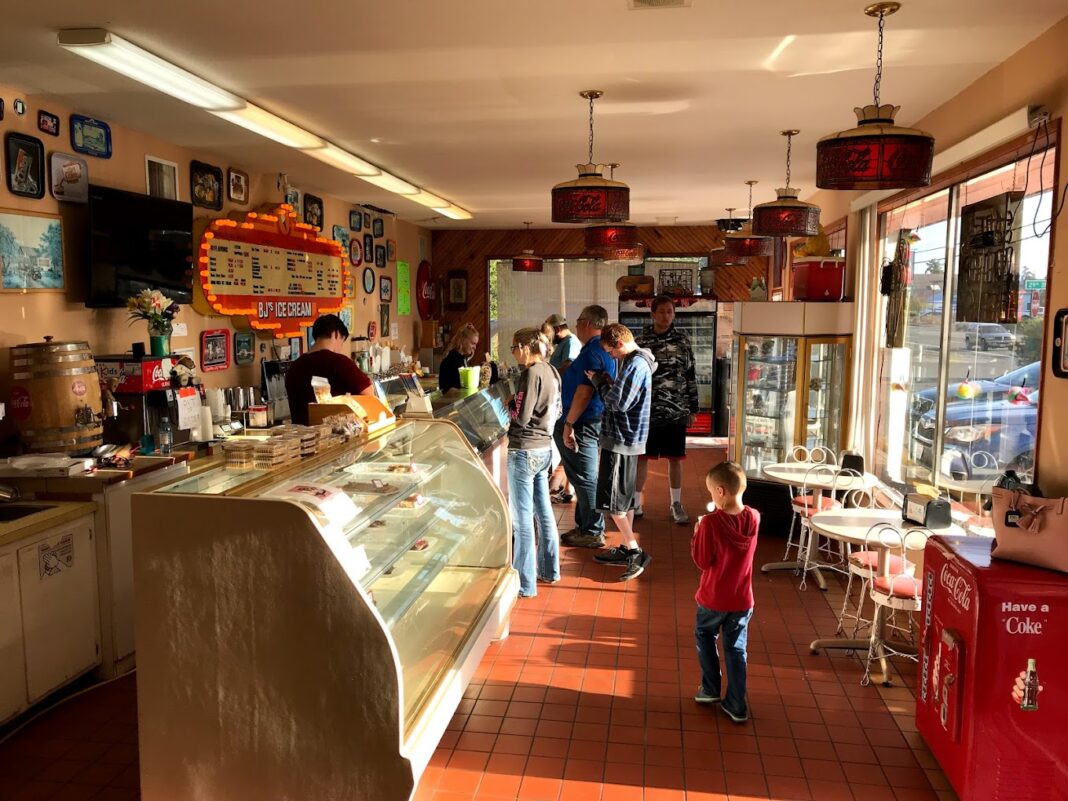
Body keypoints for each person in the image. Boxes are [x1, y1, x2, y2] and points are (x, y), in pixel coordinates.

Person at [585, 323, 656, 581]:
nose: (611, 357)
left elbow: (618, 403)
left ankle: (637, 553)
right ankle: (626, 547)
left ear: (619, 344)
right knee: (623, 502)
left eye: (610, 352)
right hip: (626, 438)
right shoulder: (634, 361)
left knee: (614, 505)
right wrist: (609, 382)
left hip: (621, 439)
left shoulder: (636, 364)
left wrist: (598, 383)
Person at [691, 461, 760, 724]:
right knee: (736, 648)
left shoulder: (710, 523)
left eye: (711, 492)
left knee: (705, 636)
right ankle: (736, 702)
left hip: (713, 598)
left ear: (720, 491)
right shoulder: (754, 517)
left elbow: (702, 561)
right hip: (742, 600)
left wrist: (698, 533)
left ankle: (710, 689)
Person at [506, 327, 562, 597]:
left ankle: (525, 584)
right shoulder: (552, 371)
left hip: (524, 450)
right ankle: (550, 570)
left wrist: (509, 405)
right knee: (544, 513)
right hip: (544, 449)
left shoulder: (529, 373)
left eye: (514, 348)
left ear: (526, 347)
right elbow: (557, 410)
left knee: (522, 521)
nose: (514, 353)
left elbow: (521, 416)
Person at [635, 295, 700, 524]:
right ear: (652, 314)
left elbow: (691, 375)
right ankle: (636, 503)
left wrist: (693, 408)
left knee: (676, 458)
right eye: (661, 311)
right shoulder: (640, 340)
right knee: (641, 458)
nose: (666, 316)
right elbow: (632, 376)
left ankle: (675, 503)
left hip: (676, 409)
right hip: (647, 411)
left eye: (670, 312)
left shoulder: (683, 340)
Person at [556, 305, 616, 548]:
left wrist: (569, 423)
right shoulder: (596, 350)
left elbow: (584, 392)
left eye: (579, 321)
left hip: (582, 422)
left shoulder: (593, 351)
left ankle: (592, 530)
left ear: (588, 323)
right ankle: (585, 526)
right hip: (588, 420)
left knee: (585, 476)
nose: (576, 325)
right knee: (582, 476)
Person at [285, 314, 373, 425]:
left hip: (302, 437)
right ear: (336, 333)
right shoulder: (340, 362)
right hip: (338, 436)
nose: (340, 347)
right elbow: (369, 395)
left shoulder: (294, 367)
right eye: (342, 341)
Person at [439, 323, 479, 392]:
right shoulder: (451, 360)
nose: (475, 347)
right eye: (473, 343)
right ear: (463, 340)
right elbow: (448, 390)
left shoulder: (462, 358)